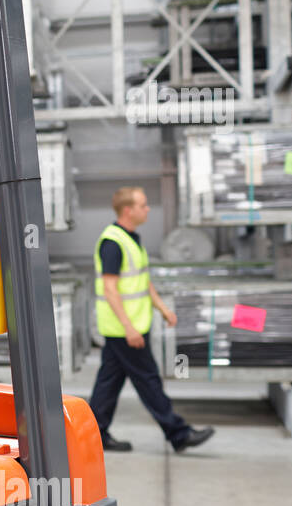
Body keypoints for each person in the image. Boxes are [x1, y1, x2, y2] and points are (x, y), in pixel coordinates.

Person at [88, 187, 213, 454]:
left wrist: (162, 308)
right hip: (125, 329)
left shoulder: (132, 239)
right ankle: (179, 434)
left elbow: (142, 283)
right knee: (148, 379)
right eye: (143, 205)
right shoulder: (113, 243)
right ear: (128, 210)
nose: (147, 210)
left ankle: (94, 434)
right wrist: (129, 328)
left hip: (130, 326)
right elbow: (110, 290)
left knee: (109, 381)